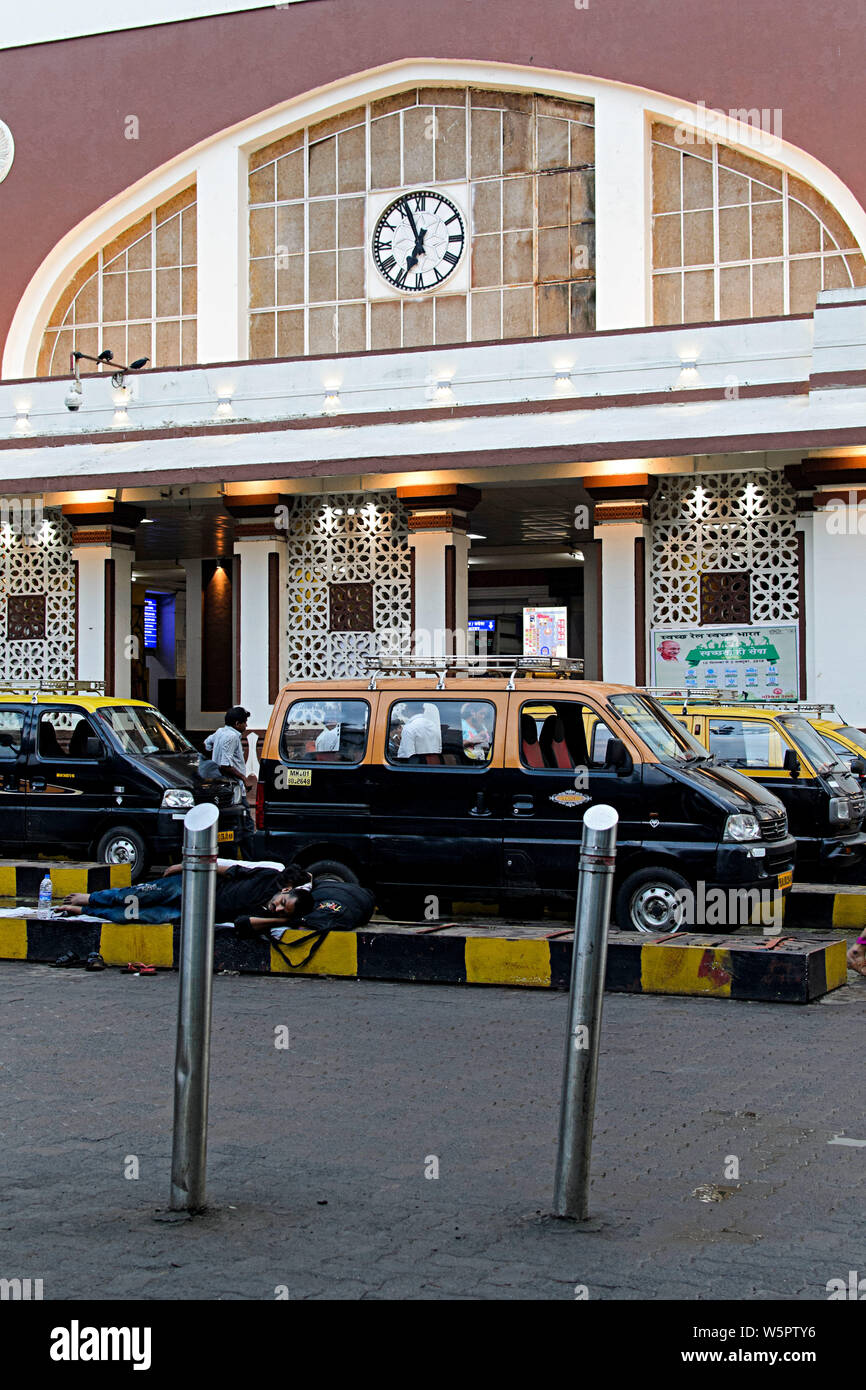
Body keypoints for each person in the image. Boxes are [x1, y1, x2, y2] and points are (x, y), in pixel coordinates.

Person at [54, 861, 314, 929]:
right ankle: (90, 898)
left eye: (283, 912)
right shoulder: (267, 876)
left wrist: (282, 921)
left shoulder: (264, 917)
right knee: (136, 895)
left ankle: (86, 911)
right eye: (282, 904)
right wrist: (185, 866)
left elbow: (241, 924)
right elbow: (228, 870)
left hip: (189, 914)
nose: (278, 909)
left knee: (135, 915)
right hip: (192, 886)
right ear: (286, 890)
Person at [204, 706, 255, 855]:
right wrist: (244, 779)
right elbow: (225, 765)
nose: (246, 726)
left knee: (231, 825)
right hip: (235, 789)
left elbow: (207, 744)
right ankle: (250, 860)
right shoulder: (232, 737)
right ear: (237, 723)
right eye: (244, 722)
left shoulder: (220, 732)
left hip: (223, 789)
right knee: (247, 826)